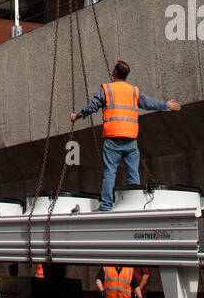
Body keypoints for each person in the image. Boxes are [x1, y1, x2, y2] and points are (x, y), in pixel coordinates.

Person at [70, 60, 181, 211]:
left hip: (113, 137)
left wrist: (77, 116)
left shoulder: (106, 89)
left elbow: (92, 107)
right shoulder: (133, 91)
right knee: (133, 173)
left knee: (110, 173)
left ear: (115, 72)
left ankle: (106, 205)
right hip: (130, 138)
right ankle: (135, 204)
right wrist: (166, 106)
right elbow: (149, 103)